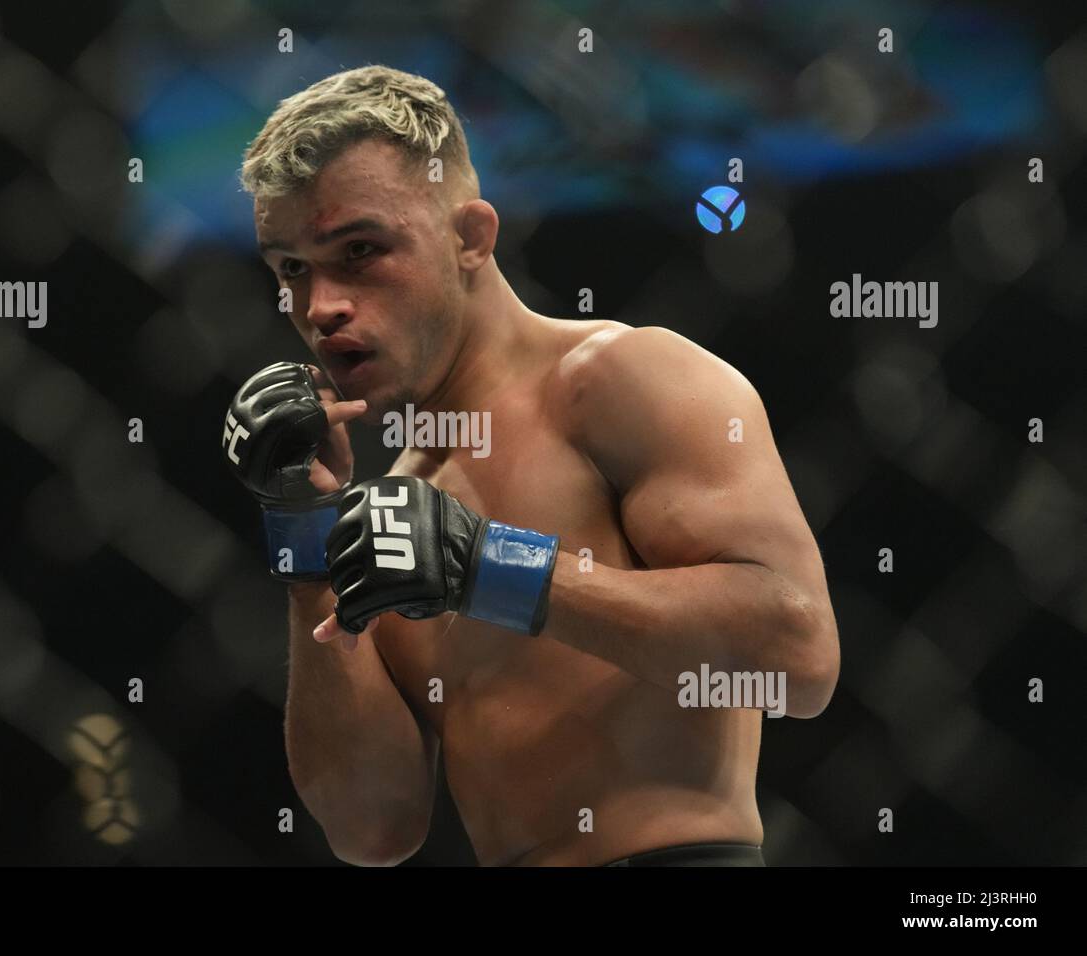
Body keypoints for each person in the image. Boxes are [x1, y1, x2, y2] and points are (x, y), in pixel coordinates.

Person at [227, 65, 839, 866]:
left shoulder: (623, 379)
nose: (321, 307)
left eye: (360, 249)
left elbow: (798, 662)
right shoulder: (395, 516)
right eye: (292, 269)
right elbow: (372, 829)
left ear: (471, 237)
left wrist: (490, 568)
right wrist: (306, 544)